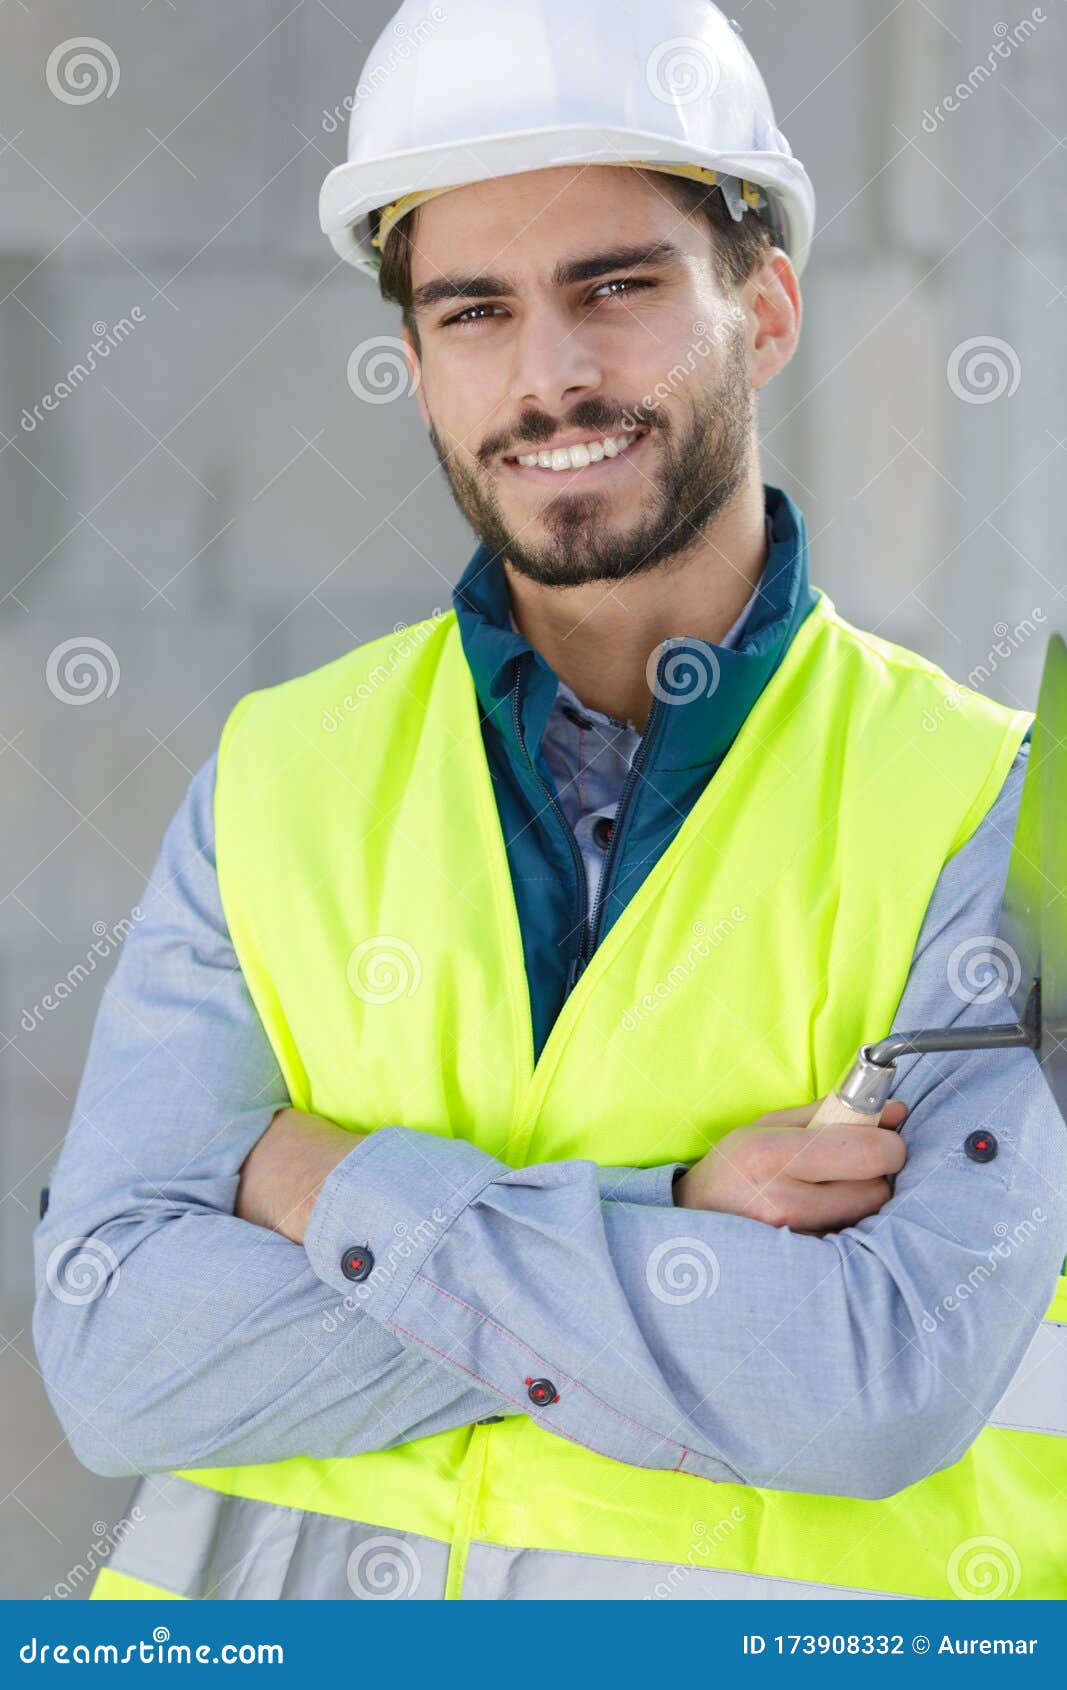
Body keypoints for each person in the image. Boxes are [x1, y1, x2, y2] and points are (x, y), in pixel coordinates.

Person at [34, 0, 1067, 1601]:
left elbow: (882, 1376)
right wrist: (674, 1211)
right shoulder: (279, 774)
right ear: (416, 365)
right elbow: (117, 1355)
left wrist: (333, 1186)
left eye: (619, 287)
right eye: (474, 311)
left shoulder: (1000, 807)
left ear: (767, 306)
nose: (552, 375)